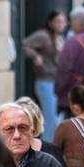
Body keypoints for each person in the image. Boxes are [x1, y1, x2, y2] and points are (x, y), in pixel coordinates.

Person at [23, 11, 67, 140]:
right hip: (45, 81)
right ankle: (47, 147)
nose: (61, 25)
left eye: (63, 22)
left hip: (57, 83)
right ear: (50, 22)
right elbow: (24, 44)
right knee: (50, 119)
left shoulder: (60, 38)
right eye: (58, 21)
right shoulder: (43, 35)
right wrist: (35, 56)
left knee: (57, 120)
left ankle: (49, 145)